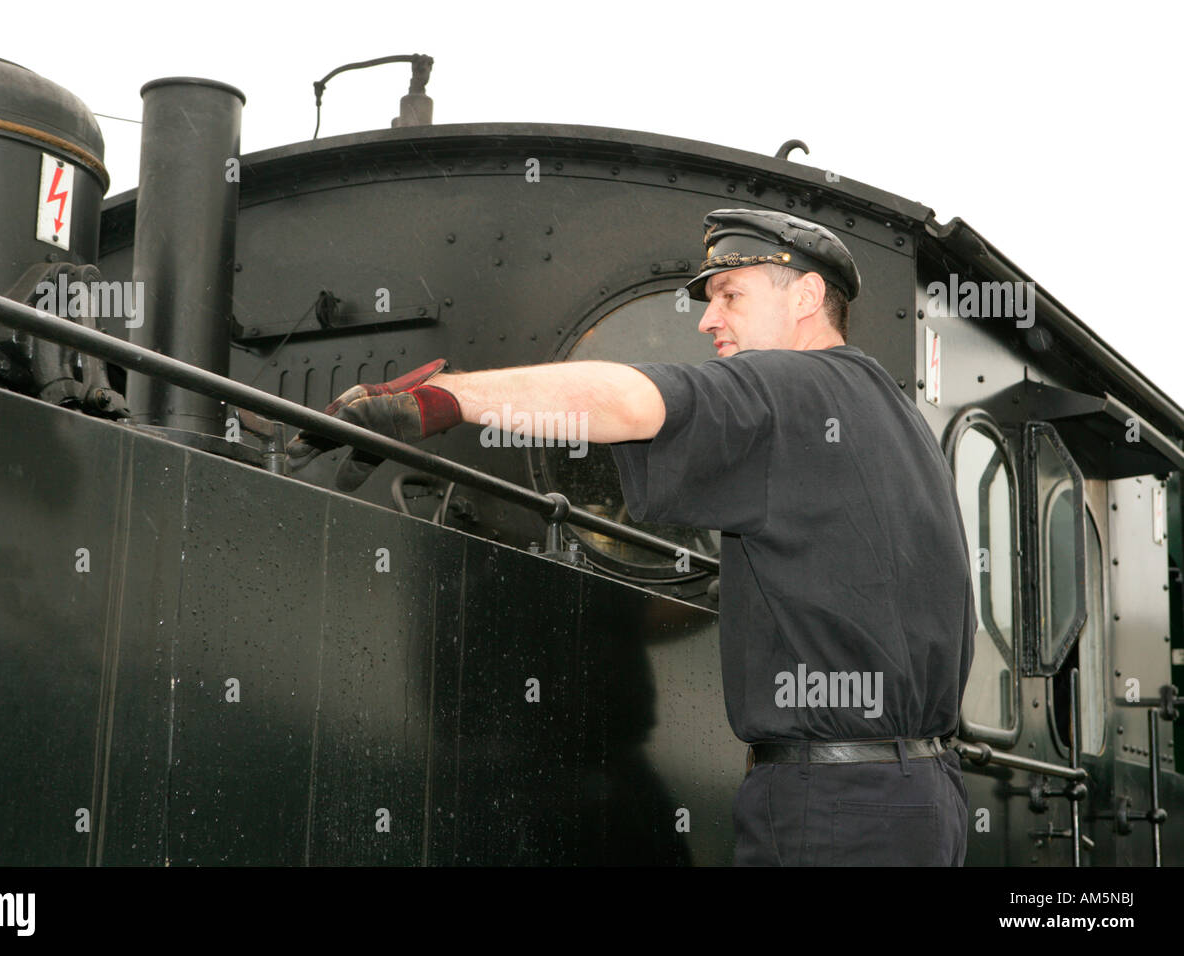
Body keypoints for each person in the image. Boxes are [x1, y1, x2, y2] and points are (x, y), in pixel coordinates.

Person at [288, 208, 976, 866]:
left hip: (834, 805)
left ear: (806, 296)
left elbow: (629, 401)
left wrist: (442, 401)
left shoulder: (785, 386)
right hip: (923, 791)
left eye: (731, 295)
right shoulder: (894, 412)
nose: (710, 320)